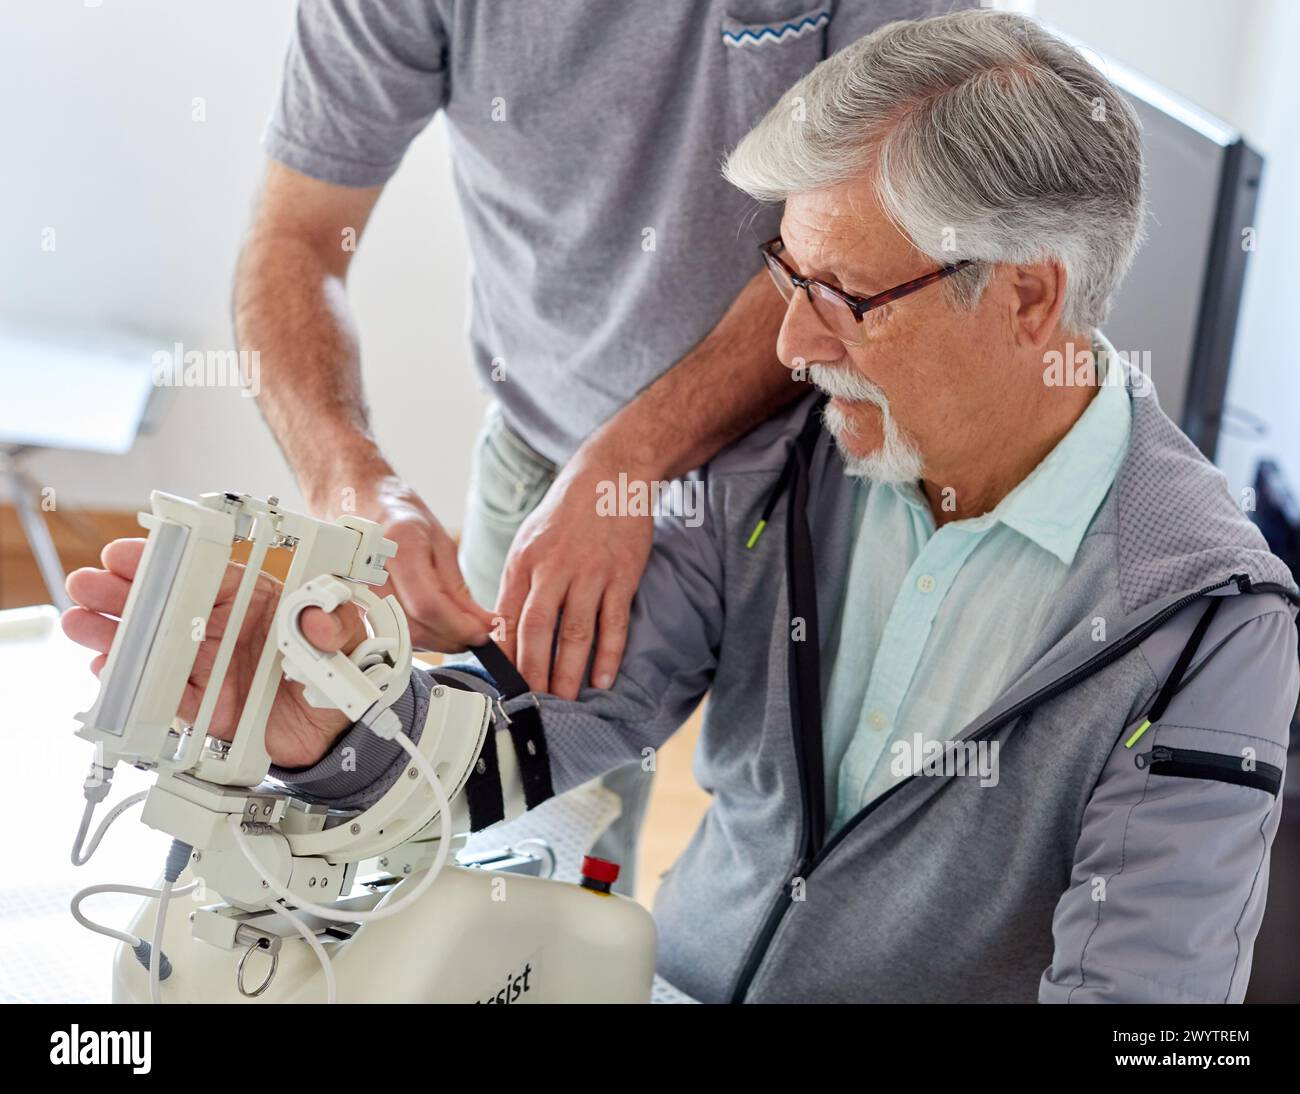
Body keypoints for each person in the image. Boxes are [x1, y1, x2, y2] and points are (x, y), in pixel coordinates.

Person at [68, 9, 1299, 1002]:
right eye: (786, 277)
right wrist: (326, 729)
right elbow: (518, 736)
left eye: (848, 298)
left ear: (1031, 298)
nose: (797, 341)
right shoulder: (776, 470)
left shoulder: (1203, 621)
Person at [231, 0, 960, 895]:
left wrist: (626, 461)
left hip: (846, 472)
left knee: (840, 866)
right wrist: (351, 481)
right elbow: (296, 239)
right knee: (515, 861)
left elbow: (900, 224)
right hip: (550, 473)